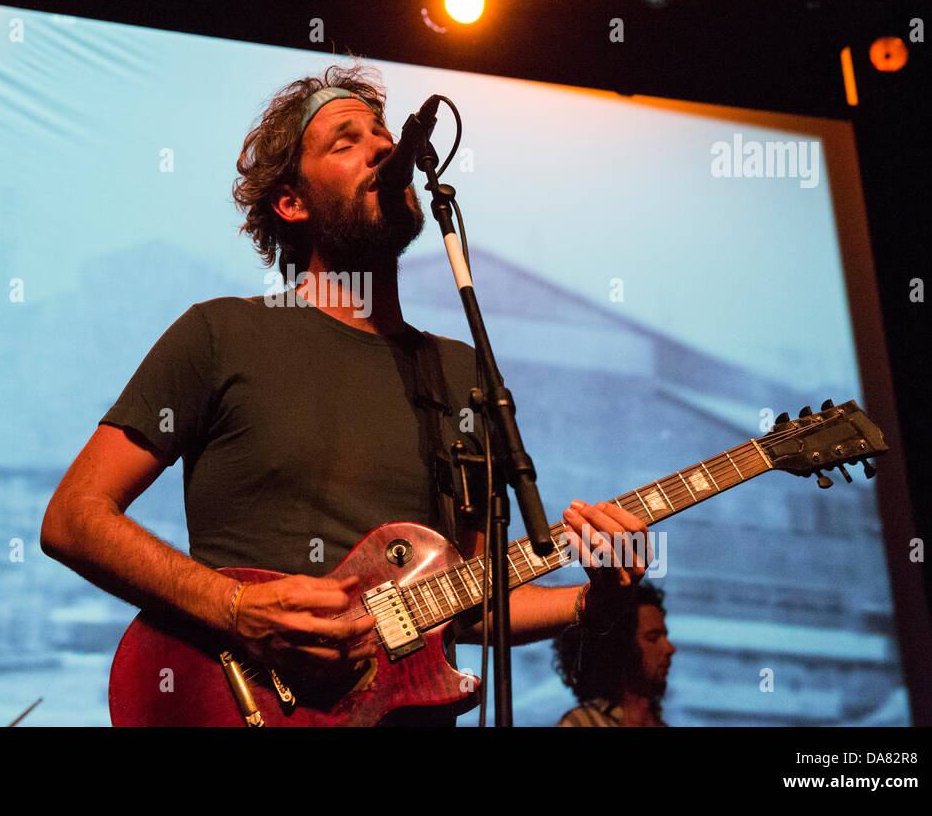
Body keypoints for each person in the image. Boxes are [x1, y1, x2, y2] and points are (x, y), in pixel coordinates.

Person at [40, 62, 649, 720]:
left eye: (382, 134)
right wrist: (237, 608)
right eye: (345, 140)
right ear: (291, 202)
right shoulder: (222, 333)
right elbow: (75, 517)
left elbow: (467, 599)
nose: (384, 147)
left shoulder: (461, 374)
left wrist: (594, 603)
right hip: (236, 702)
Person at [553, 580, 675, 726]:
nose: (669, 648)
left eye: (665, 637)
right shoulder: (582, 722)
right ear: (620, 647)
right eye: (653, 638)